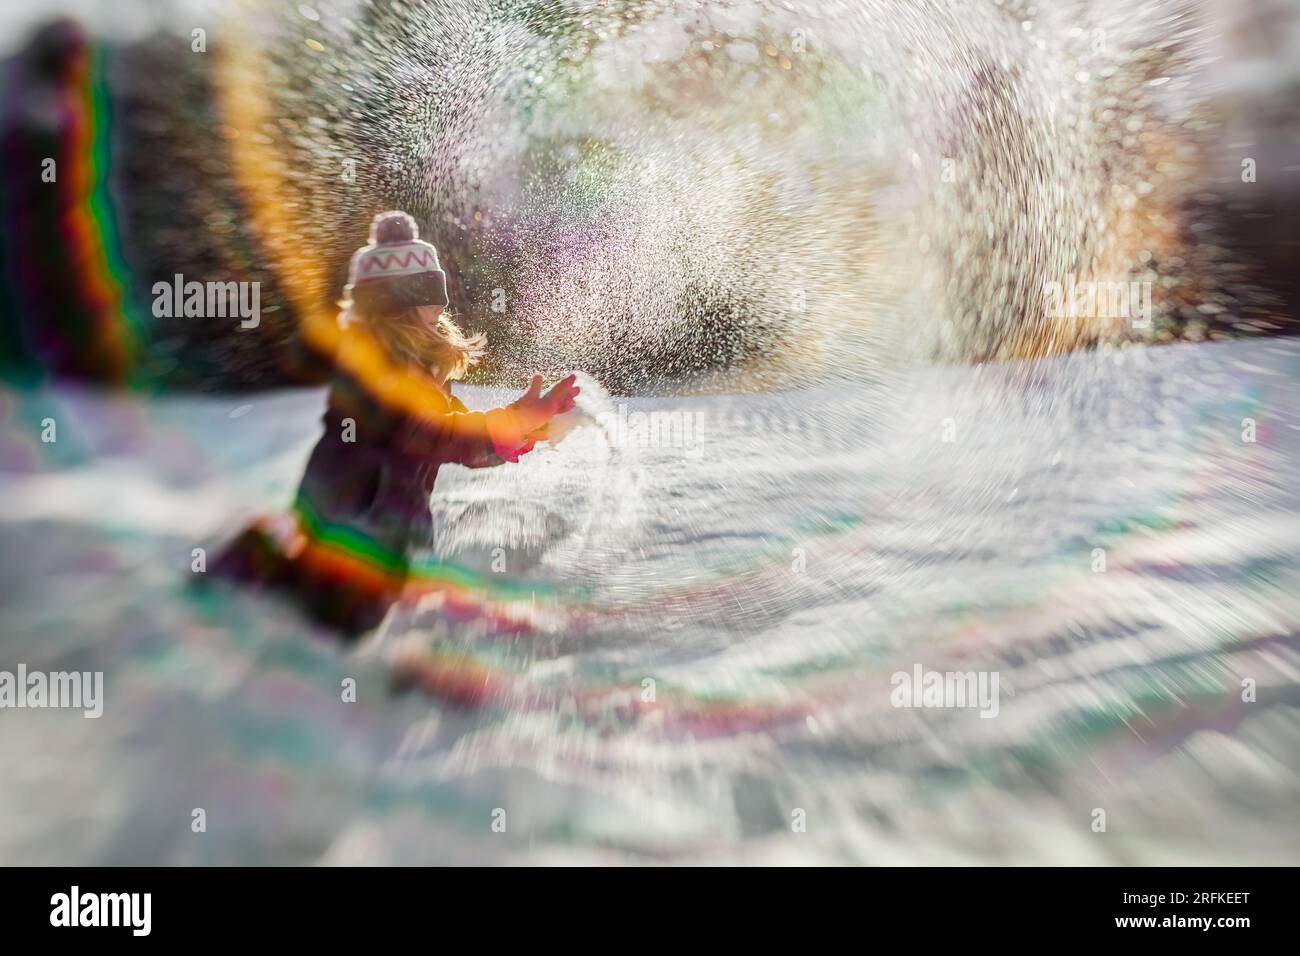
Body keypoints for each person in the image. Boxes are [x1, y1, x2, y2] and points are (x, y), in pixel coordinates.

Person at [212, 210, 578, 635]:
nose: (441, 304)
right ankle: (250, 584)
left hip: (380, 527)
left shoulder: (416, 370)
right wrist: (512, 423)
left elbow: (450, 429)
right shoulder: (381, 373)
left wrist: (524, 426)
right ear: (397, 304)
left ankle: (265, 580)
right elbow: (433, 433)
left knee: (338, 613)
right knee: (335, 620)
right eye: (430, 293)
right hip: (357, 522)